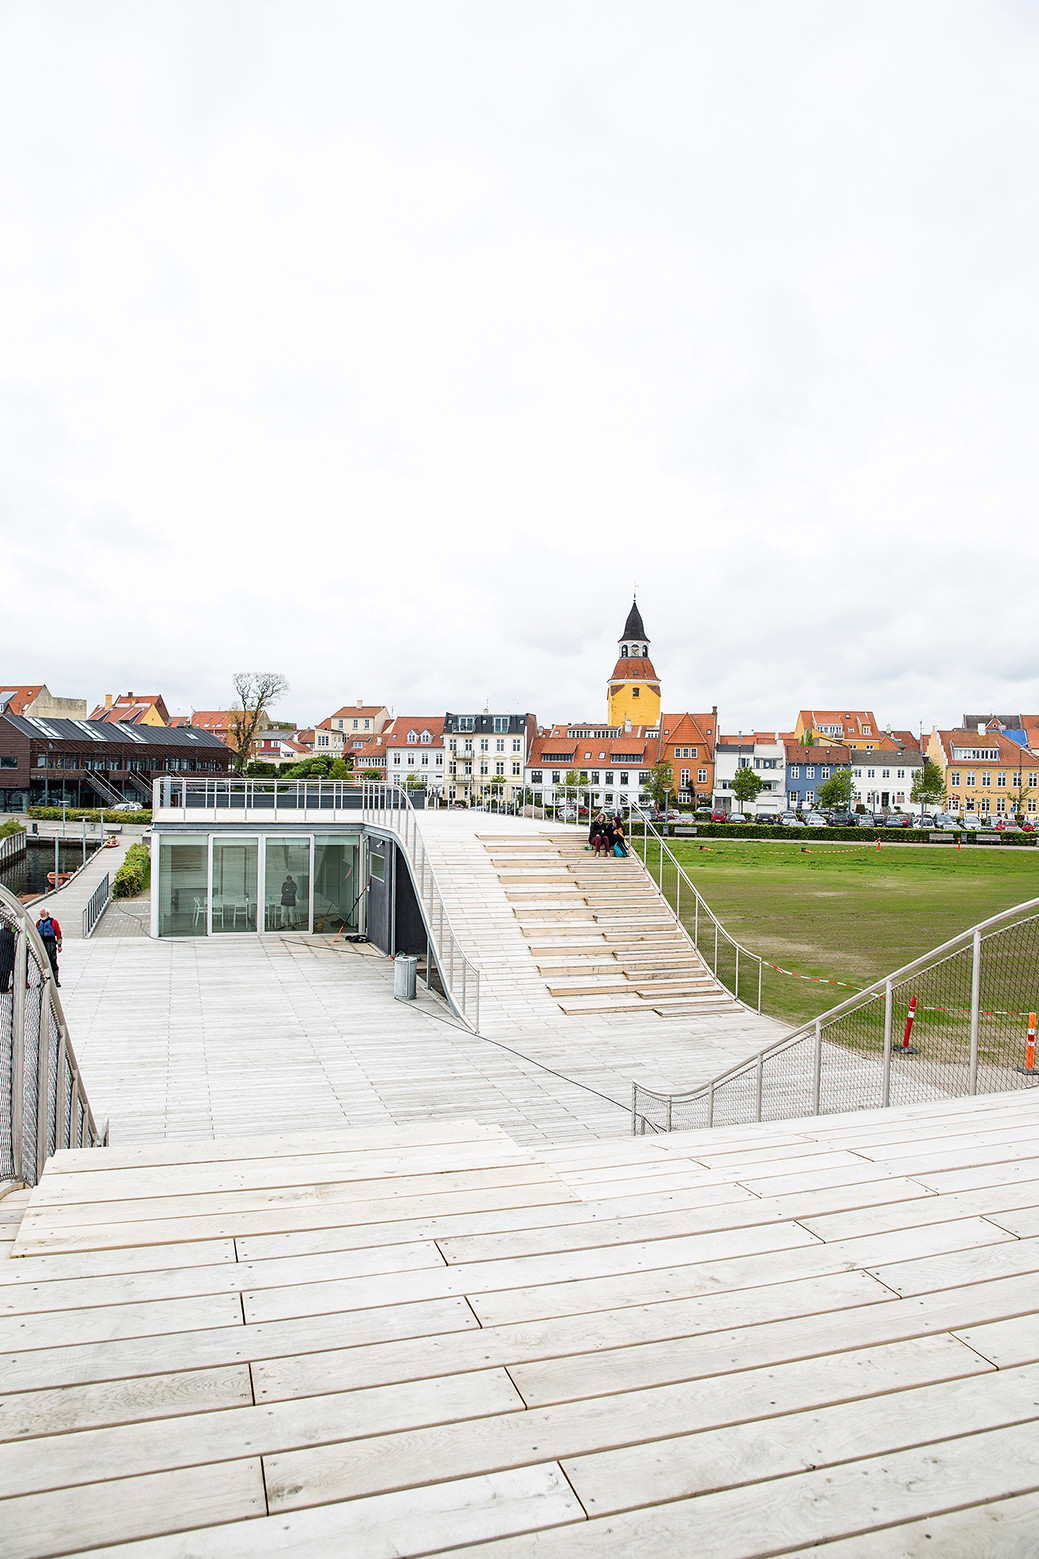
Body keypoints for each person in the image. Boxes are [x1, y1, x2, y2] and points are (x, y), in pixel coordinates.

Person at [35, 911, 62, 985]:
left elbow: (58, 933)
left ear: (47, 914)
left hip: (51, 943)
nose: (41, 916)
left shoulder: (53, 922)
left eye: (43, 914)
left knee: (53, 961)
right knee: (42, 962)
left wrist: (59, 946)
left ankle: (55, 980)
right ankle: (42, 980)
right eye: (40, 914)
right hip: (42, 944)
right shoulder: (38, 923)